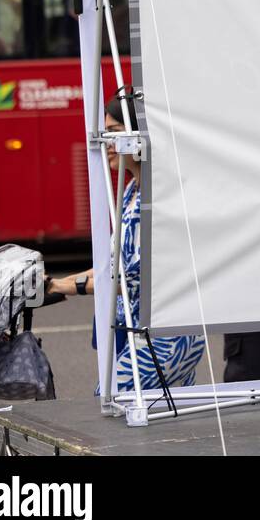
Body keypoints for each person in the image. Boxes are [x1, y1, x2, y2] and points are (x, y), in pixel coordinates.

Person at [47, 91, 207, 397]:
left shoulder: (155, 197)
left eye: (116, 134)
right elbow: (114, 264)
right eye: (107, 134)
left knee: (110, 404)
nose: (108, 143)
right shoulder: (133, 188)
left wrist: (61, 287)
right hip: (148, 333)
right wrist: (59, 281)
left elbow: (130, 278)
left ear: (139, 137)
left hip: (163, 338)